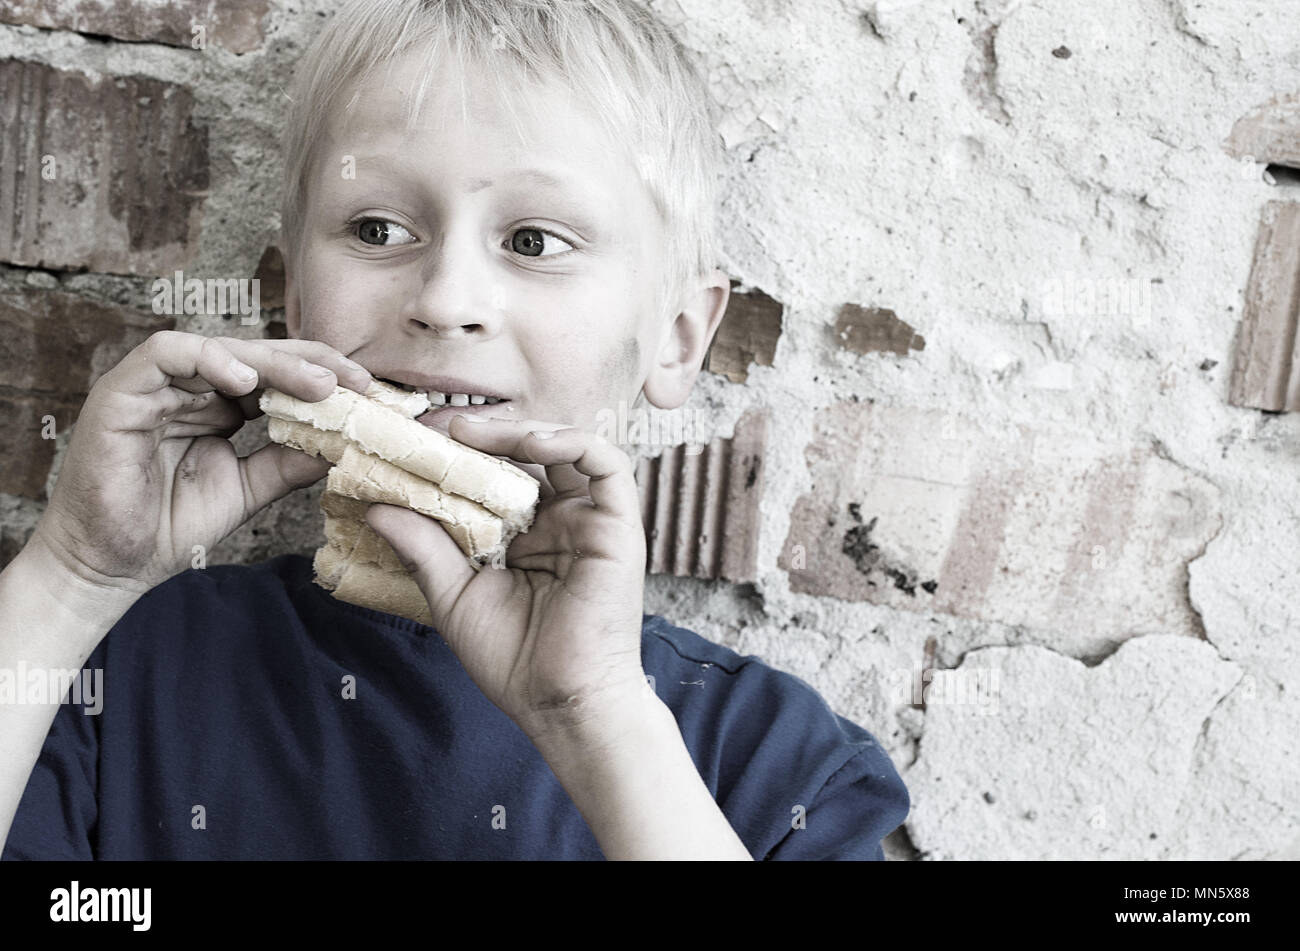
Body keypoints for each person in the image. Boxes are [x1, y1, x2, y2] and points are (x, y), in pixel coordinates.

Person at [0, 0, 907, 860]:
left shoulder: (783, 772)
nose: (444, 300)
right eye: (378, 228)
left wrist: (595, 715)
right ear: (296, 301)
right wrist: (72, 580)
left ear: (676, 336)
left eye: (534, 242)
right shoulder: (103, 670)